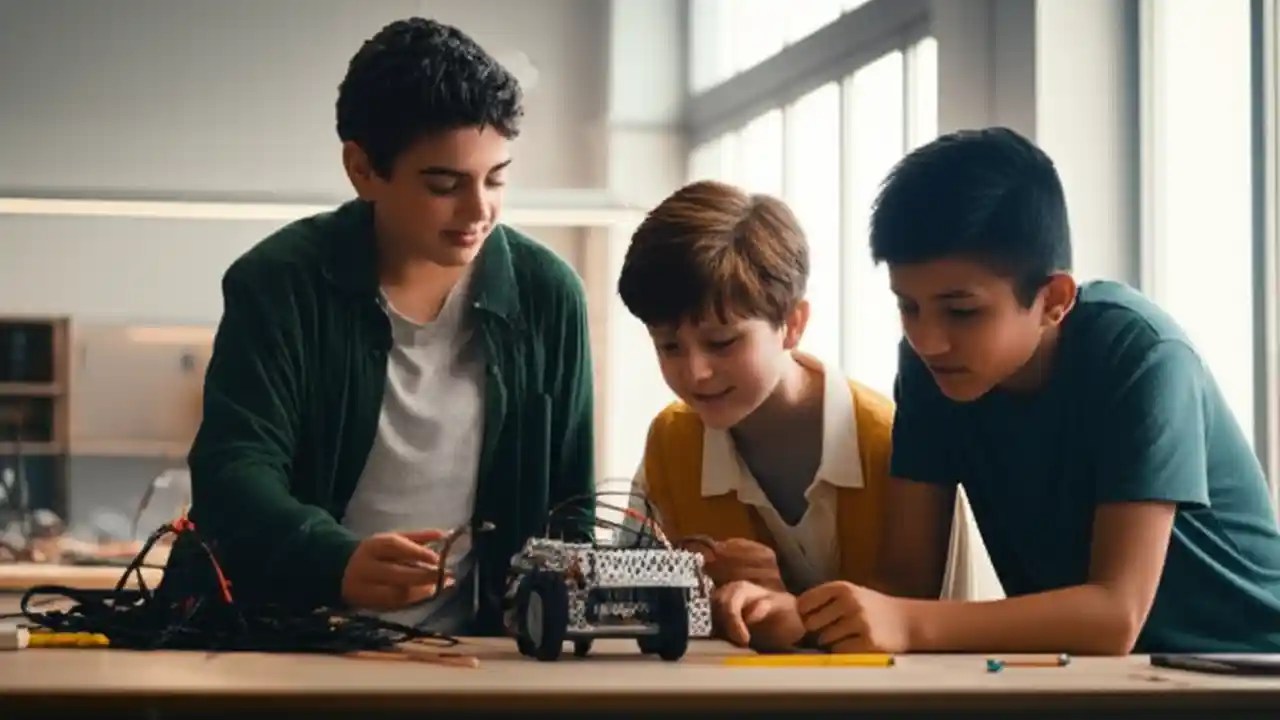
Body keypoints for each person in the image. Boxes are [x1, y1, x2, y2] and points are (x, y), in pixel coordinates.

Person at [177, 17, 595, 635]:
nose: (479, 210)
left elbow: (572, 509)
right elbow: (232, 475)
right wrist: (334, 559)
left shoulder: (547, 296)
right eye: (444, 184)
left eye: (496, 177)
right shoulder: (279, 283)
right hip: (290, 640)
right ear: (363, 169)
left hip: (481, 659)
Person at [797, 126, 1280, 655]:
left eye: (962, 311)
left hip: (1246, 670)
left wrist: (908, 624)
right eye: (907, 306)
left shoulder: (1142, 354)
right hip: (1100, 681)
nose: (927, 339)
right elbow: (906, 583)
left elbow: (1113, 617)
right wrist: (805, 617)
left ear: (1053, 299)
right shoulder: (931, 369)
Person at [616, 180, 895, 651]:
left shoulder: (888, 443)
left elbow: (925, 619)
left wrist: (798, 613)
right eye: (668, 346)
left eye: (722, 342)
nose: (695, 373)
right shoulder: (672, 440)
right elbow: (622, 605)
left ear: (793, 324)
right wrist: (692, 592)